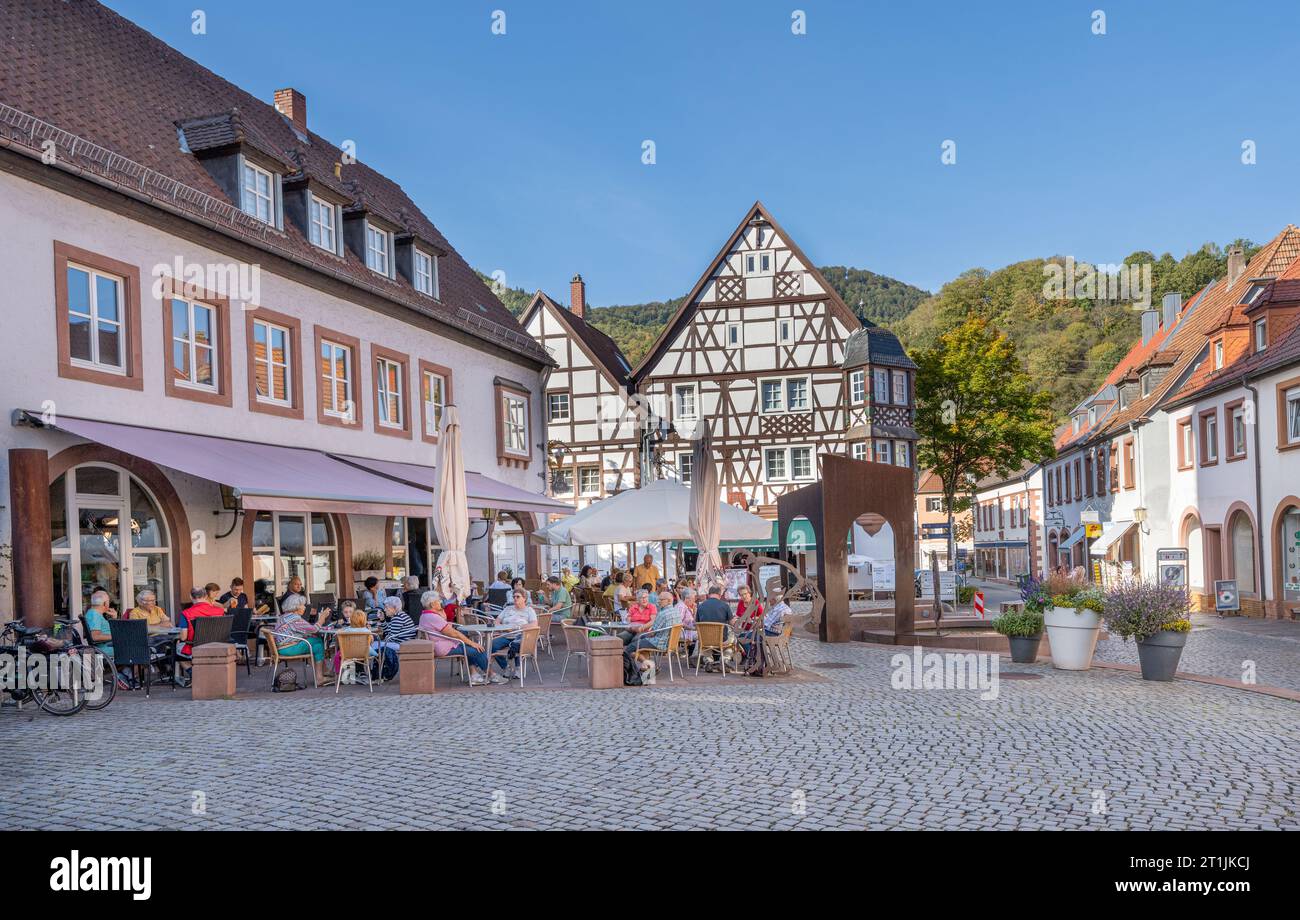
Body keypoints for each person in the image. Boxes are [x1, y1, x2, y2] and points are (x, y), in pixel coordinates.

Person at [417, 590, 500, 686]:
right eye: (439, 600)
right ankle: (491, 674)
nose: (441, 602)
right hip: (443, 647)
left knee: (470, 648)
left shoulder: (425, 615)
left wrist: (443, 617)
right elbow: (453, 633)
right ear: (432, 604)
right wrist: (471, 643)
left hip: (440, 645)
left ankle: (474, 675)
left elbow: (446, 629)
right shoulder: (433, 617)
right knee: (477, 649)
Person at [272, 594, 328, 684]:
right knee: (318, 642)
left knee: (316, 644)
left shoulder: (283, 617)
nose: (304, 607)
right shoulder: (295, 619)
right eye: (302, 605)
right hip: (289, 649)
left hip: (281, 648)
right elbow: (314, 629)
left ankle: (323, 673)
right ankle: (320, 677)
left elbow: (299, 632)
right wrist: (322, 618)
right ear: (296, 607)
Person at [491, 589, 537, 678]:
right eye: (514, 597)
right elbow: (496, 622)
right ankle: (505, 667)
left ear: (524, 598)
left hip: (520, 636)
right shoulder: (507, 609)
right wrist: (504, 629)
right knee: (492, 645)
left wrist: (518, 628)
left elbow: (534, 624)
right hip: (506, 635)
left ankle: (518, 668)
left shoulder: (529, 610)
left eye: (518, 597)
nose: (515, 599)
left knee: (517, 645)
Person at [176, 586, 227, 657]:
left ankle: (192, 668)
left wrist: (177, 637)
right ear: (206, 596)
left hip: (194, 649)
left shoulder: (186, 613)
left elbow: (183, 637)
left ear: (191, 597)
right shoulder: (220, 611)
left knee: (176, 647)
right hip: (217, 648)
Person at [629, 589, 683, 655]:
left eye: (661, 600)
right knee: (640, 640)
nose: (658, 601)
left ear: (669, 601)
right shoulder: (676, 611)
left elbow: (652, 633)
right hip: (671, 644)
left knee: (631, 647)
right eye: (658, 599)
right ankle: (646, 662)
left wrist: (643, 630)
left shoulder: (662, 614)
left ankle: (643, 662)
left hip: (659, 643)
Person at [81, 589, 117, 658]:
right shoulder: (95, 615)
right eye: (108, 601)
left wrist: (114, 618)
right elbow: (95, 636)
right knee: (135, 648)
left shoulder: (93, 613)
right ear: (105, 603)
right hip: (106, 648)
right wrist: (116, 637)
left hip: (108, 645)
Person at [678, 586, 698, 658]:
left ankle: (693, 655)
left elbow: (693, 621)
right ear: (686, 598)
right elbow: (678, 622)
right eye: (693, 599)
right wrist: (690, 628)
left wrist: (695, 611)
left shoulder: (686, 607)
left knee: (702, 634)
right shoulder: (681, 607)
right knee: (703, 635)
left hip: (687, 631)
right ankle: (694, 657)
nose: (694, 601)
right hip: (682, 632)